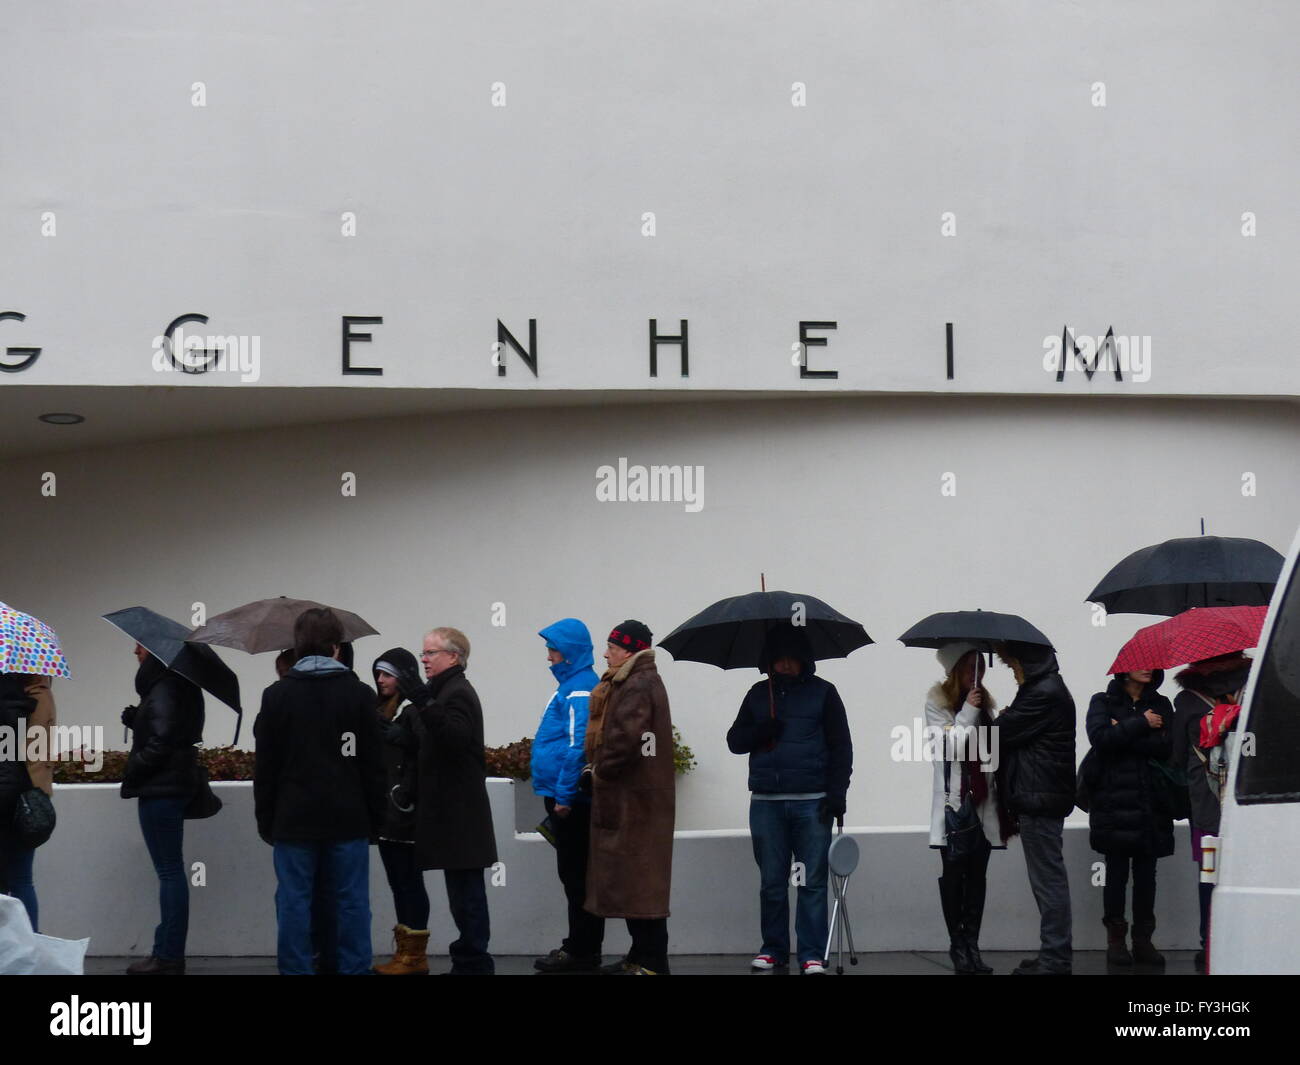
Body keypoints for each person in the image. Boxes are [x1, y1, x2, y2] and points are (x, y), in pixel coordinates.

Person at [253, 608, 385, 976]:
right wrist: (376, 819)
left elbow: (266, 768)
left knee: (294, 902)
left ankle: (297, 970)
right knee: (352, 902)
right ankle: (353, 969)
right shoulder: (359, 695)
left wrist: (267, 820)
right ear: (336, 648)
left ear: (296, 648)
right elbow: (373, 765)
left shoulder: (276, 696)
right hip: (349, 817)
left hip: (293, 820)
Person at [726, 623, 852, 975]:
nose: (784, 665)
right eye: (778, 658)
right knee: (772, 880)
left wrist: (838, 793)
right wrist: (761, 730)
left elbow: (841, 746)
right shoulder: (756, 695)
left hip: (813, 801)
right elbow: (735, 741)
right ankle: (773, 949)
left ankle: (812, 953)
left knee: (812, 880)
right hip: (766, 801)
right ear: (769, 660)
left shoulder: (824, 693)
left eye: (791, 658)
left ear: (804, 660)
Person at [394, 627, 498, 975]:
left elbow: (455, 738)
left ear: (453, 657)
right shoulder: (443, 691)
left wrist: (422, 701)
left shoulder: (457, 693)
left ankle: (473, 964)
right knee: (461, 892)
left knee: (467, 895)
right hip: (451, 813)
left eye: (431, 653)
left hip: (461, 815)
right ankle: (469, 960)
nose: (423, 659)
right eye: (423, 653)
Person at [583, 620, 675, 975]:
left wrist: (598, 771)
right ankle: (641, 956)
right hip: (636, 800)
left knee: (641, 883)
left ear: (630, 650)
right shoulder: (637, 680)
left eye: (612, 647)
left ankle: (650, 962)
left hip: (636, 802)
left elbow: (625, 740)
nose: (605, 653)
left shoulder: (637, 684)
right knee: (638, 882)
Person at [924, 644, 1012, 974]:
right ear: (955, 668)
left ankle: (972, 944)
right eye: (969, 666)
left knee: (977, 878)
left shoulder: (984, 704)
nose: (976, 673)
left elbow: (991, 756)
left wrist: (1000, 726)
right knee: (953, 876)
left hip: (985, 805)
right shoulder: (938, 703)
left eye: (980, 666)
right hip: (954, 807)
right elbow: (948, 747)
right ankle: (957, 944)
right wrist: (969, 713)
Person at [992, 640, 1076, 976]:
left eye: (1012, 665)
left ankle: (1055, 959)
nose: (1012, 672)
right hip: (1040, 795)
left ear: (1026, 661)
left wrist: (1001, 720)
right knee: (1047, 880)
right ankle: (1052, 954)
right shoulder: (1045, 689)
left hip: (1040, 798)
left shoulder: (1043, 692)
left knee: (1048, 881)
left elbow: (998, 736)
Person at [121, 643, 205, 975]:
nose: (135, 652)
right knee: (171, 871)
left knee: (169, 873)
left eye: (140, 647)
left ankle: (168, 955)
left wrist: (133, 768)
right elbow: (167, 728)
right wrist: (138, 717)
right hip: (174, 785)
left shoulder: (165, 687)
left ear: (156, 653)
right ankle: (166, 951)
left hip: (161, 789)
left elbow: (162, 740)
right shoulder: (179, 684)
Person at [1085, 668, 1174, 967]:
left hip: (1151, 804)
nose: (1147, 668)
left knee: (1147, 876)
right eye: (1141, 663)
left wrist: (1122, 729)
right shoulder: (1102, 701)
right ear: (1125, 670)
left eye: (1152, 664)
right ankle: (1116, 940)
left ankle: (1143, 940)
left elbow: (1165, 748)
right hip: (1113, 803)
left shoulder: (1162, 705)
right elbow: (1100, 739)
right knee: (1116, 875)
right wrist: (1141, 724)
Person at [1170, 653, 1251, 973]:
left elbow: (1176, 755)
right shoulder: (1253, 686)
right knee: (1247, 871)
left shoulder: (1188, 699)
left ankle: (1210, 943)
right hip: (1249, 800)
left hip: (1205, 803)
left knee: (1210, 873)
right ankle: (1245, 938)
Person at [530, 619, 603, 973]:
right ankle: (580, 947)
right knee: (574, 877)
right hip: (566, 797)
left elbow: (579, 745)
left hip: (570, 802)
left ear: (570, 652)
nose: (549, 657)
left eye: (553, 650)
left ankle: (581, 950)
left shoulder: (579, 688)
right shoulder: (574, 685)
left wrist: (563, 796)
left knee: (576, 877)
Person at [369, 647, 429, 975]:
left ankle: (414, 956)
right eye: (378, 673)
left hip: (406, 813)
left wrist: (403, 739)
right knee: (398, 883)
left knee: (409, 883)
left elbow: (426, 753)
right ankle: (406, 952)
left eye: (388, 674)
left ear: (404, 676)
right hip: (387, 814)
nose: (380, 680)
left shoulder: (414, 710)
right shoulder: (384, 711)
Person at [0, 672, 55, 930]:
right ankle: (29, 948)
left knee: (12, 882)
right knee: (22, 879)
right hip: (26, 798)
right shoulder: (37, 696)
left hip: (8, 796)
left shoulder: (9, 702)